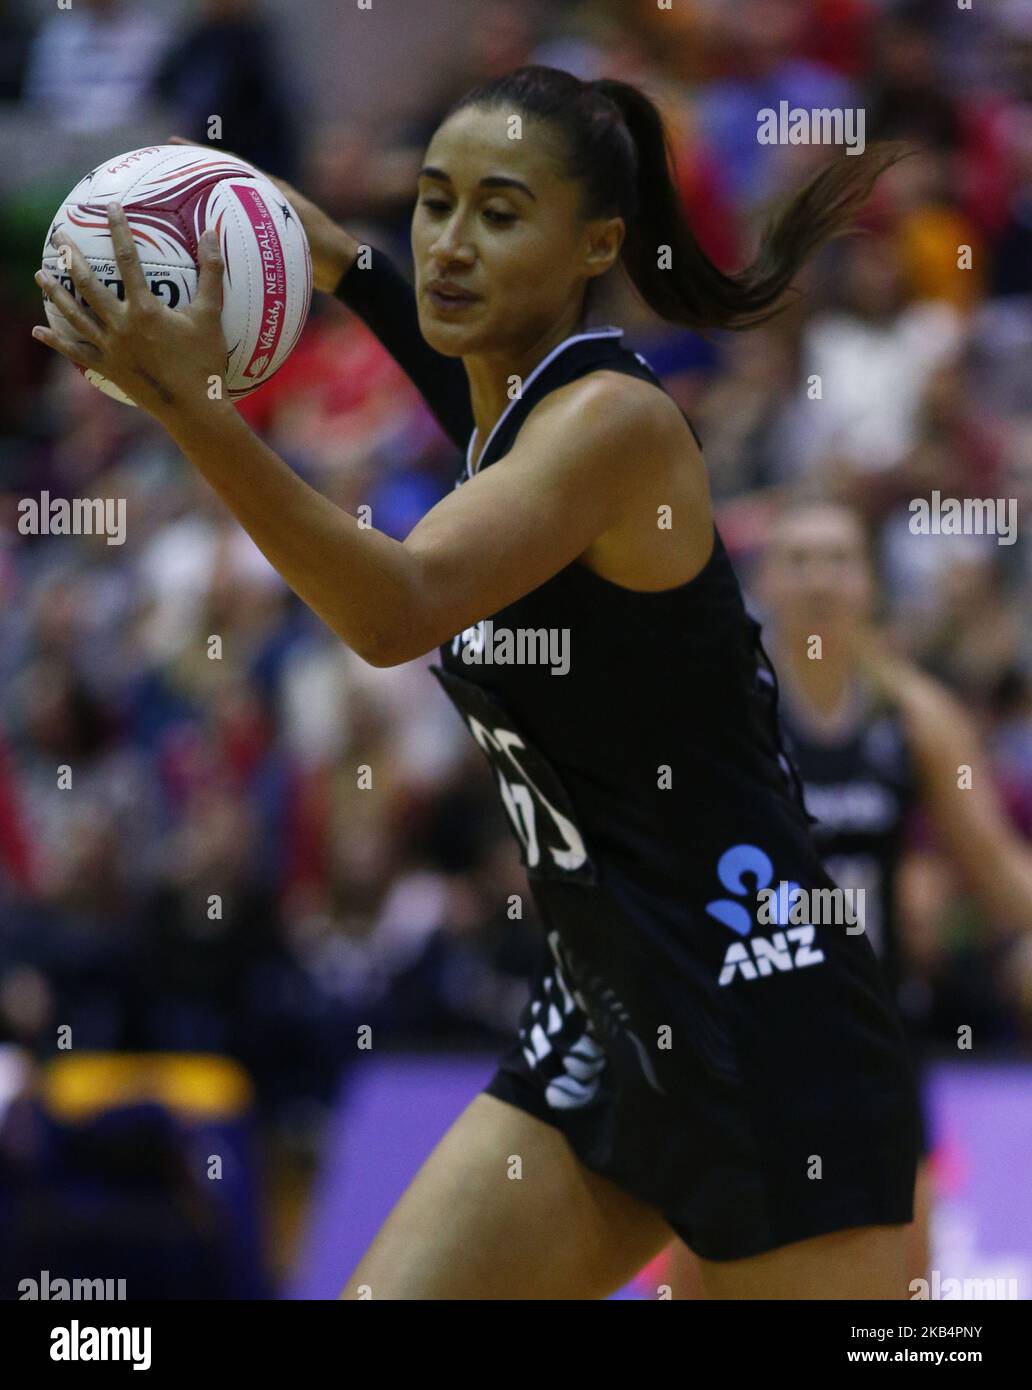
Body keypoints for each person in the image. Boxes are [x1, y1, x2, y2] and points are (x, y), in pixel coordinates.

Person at [35, 65, 924, 1300]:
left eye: (499, 214)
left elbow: (393, 610)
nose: (449, 243)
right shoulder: (513, 409)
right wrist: (338, 261)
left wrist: (197, 409)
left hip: (764, 1025)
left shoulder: (610, 424)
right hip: (608, 1007)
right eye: (434, 202)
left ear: (597, 242)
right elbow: (450, 366)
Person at [662, 500, 1032, 1297]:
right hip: (743, 1040)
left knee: (905, 1309)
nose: (820, 578)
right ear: (766, 582)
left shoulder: (914, 717)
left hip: (874, 1043)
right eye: (798, 560)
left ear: (870, 582)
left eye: (838, 559)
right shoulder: (721, 708)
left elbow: (1004, 881)